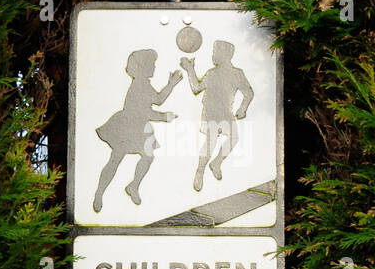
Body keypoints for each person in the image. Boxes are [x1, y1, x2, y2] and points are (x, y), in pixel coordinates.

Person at [93, 49, 182, 211]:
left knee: (146, 157)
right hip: (127, 126)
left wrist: (170, 85)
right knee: (116, 160)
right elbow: (152, 107)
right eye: (152, 64)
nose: (154, 67)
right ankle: (100, 193)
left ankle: (133, 186)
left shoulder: (144, 84)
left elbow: (157, 100)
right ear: (143, 67)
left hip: (139, 127)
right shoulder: (139, 85)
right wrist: (164, 116)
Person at [179, 39, 254, 192]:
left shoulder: (237, 74)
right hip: (211, 111)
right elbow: (196, 88)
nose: (213, 55)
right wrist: (189, 70)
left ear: (226, 55)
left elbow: (249, 93)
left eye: (215, 52)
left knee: (234, 138)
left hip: (226, 111)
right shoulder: (211, 73)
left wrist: (243, 108)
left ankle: (216, 162)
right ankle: (200, 171)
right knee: (210, 142)